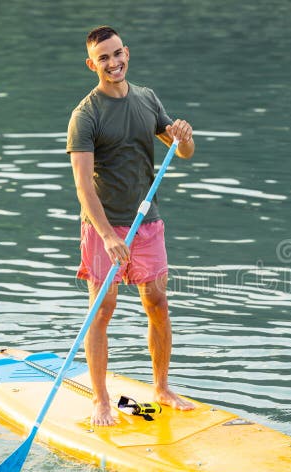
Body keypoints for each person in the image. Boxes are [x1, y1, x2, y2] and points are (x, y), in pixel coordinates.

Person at [66, 26, 195, 426]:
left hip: (147, 222)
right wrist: (106, 236)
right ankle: (101, 401)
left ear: (128, 53)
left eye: (118, 53)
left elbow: (182, 152)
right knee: (102, 310)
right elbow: (83, 186)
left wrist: (184, 137)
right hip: (104, 227)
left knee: (157, 305)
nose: (113, 62)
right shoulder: (85, 115)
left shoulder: (147, 99)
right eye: (103, 58)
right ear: (92, 64)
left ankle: (161, 387)